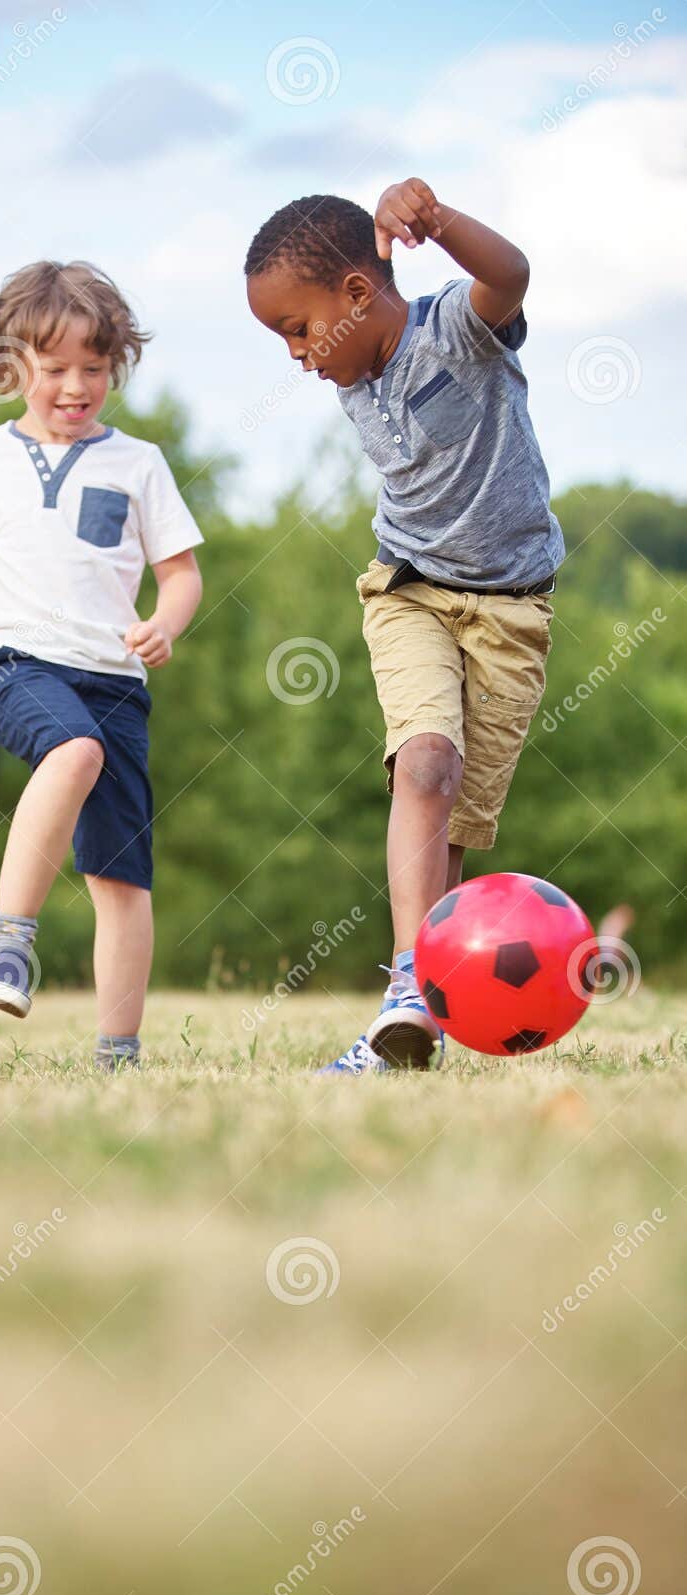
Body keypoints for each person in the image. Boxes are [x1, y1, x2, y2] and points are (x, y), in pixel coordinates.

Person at [246, 180, 564, 1073]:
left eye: (297, 330)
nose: (298, 356)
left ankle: (416, 1023)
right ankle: (405, 986)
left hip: (510, 610)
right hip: (408, 592)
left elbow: (511, 274)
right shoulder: (352, 374)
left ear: (355, 295)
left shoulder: (453, 331)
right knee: (424, 762)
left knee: (452, 829)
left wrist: (441, 220)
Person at [0, 261, 204, 1071]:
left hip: (114, 681)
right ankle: (6, 942)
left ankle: (118, 1054)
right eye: (55, 367)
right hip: (12, 661)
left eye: (93, 368)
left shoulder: (138, 464)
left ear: (116, 368)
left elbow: (180, 573)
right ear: (10, 366)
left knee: (121, 878)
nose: (76, 385)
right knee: (73, 750)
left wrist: (163, 625)